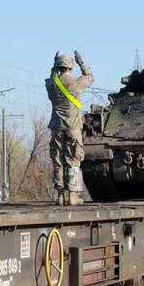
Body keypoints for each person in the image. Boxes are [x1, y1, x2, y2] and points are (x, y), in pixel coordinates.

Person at [46, 51, 93, 205]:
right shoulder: (75, 83)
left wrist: (54, 67)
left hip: (56, 126)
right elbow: (90, 77)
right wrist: (81, 62)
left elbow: (52, 78)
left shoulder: (51, 84)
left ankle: (60, 196)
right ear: (70, 67)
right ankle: (72, 196)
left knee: (58, 160)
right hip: (72, 127)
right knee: (73, 160)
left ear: (58, 66)